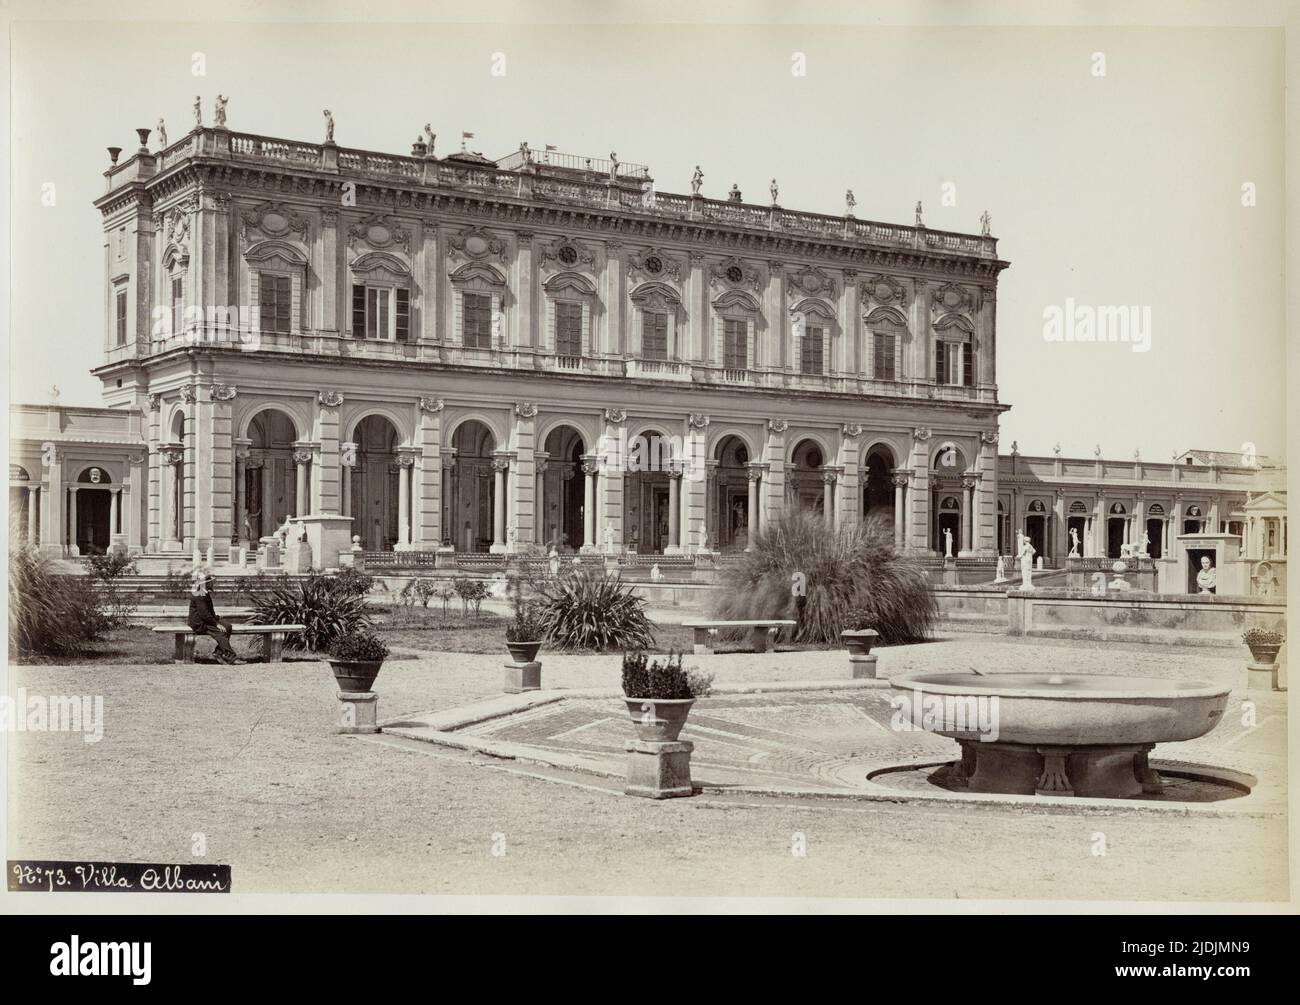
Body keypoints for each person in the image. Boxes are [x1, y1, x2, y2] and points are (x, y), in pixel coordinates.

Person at [188, 567, 240, 664]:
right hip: (199, 623)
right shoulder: (199, 595)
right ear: (206, 584)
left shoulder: (204, 593)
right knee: (220, 633)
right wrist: (216, 624)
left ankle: (218, 653)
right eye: (211, 582)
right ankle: (232, 657)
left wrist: (217, 618)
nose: (212, 584)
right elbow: (204, 614)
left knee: (228, 626)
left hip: (205, 620)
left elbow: (208, 612)